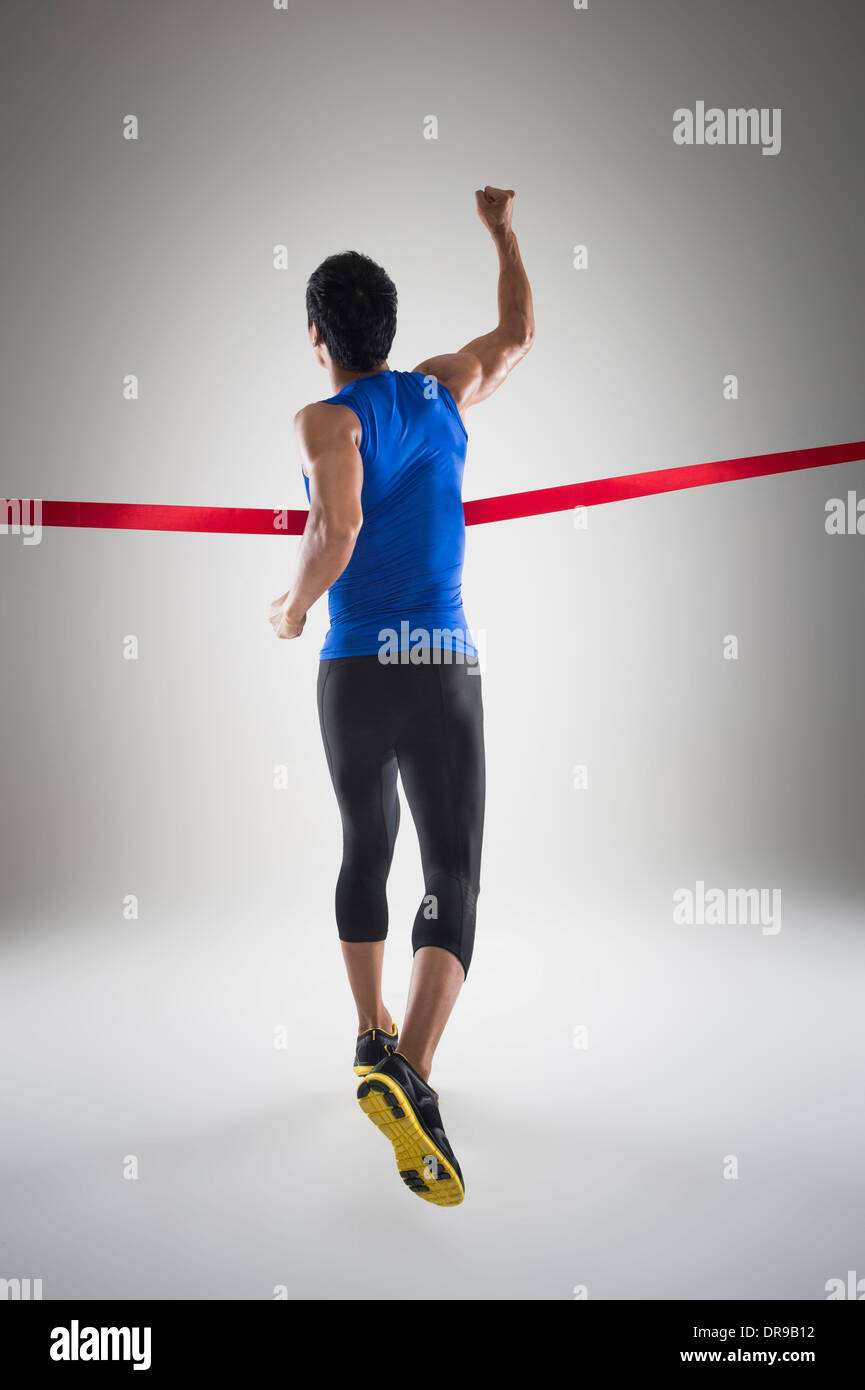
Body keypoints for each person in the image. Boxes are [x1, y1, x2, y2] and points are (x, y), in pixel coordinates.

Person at [269, 187, 534, 1205]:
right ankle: (409, 1070)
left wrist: (291, 610)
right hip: (440, 666)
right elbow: (515, 331)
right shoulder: (442, 391)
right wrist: (502, 232)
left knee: (364, 851)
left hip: (350, 670)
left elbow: (333, 533)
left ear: (317, 337)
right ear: (387, 329)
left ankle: (371, 1030)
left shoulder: (323, 417)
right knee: (453, 871)